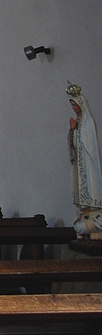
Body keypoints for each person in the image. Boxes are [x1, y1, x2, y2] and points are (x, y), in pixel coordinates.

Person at [67, 84, 102, 237]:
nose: (74, 108)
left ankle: (92, 213)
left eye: (75, 105)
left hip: (88, 163)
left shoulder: (88, 122)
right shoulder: (78, 121)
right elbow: (74, 141)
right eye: (73, 105)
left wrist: (76, 129)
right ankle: (84, 211)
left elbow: (89, 143)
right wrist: (73, 129)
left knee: (90, 185)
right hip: (79, 163)